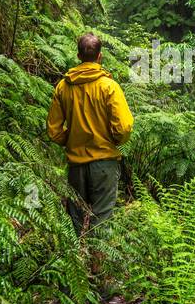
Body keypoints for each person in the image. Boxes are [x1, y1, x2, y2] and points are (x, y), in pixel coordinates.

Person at [46, 33, 134, 234]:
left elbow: (53, 130)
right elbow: (124, 127)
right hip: (104, 163)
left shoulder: (63, 87)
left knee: (75, 218)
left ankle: (76, 260)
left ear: (78, 56)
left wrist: (72, 139)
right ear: (100, 56)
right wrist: (113, 140)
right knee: (102, 220)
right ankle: (96, 263)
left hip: (76, 164)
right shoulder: (109, 87)